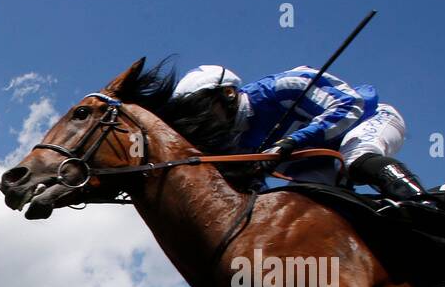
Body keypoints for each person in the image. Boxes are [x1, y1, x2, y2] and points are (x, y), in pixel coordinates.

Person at [171, 64, 428, 201]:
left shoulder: (280, 87)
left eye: (202, 108)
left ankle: (424, 204)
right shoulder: (236, 144)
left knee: (355, 156)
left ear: (227, 93)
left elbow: (349, 104)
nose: (201, 119)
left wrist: (293, 140)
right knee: (310, 203)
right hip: (320, 162)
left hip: (370, 121)